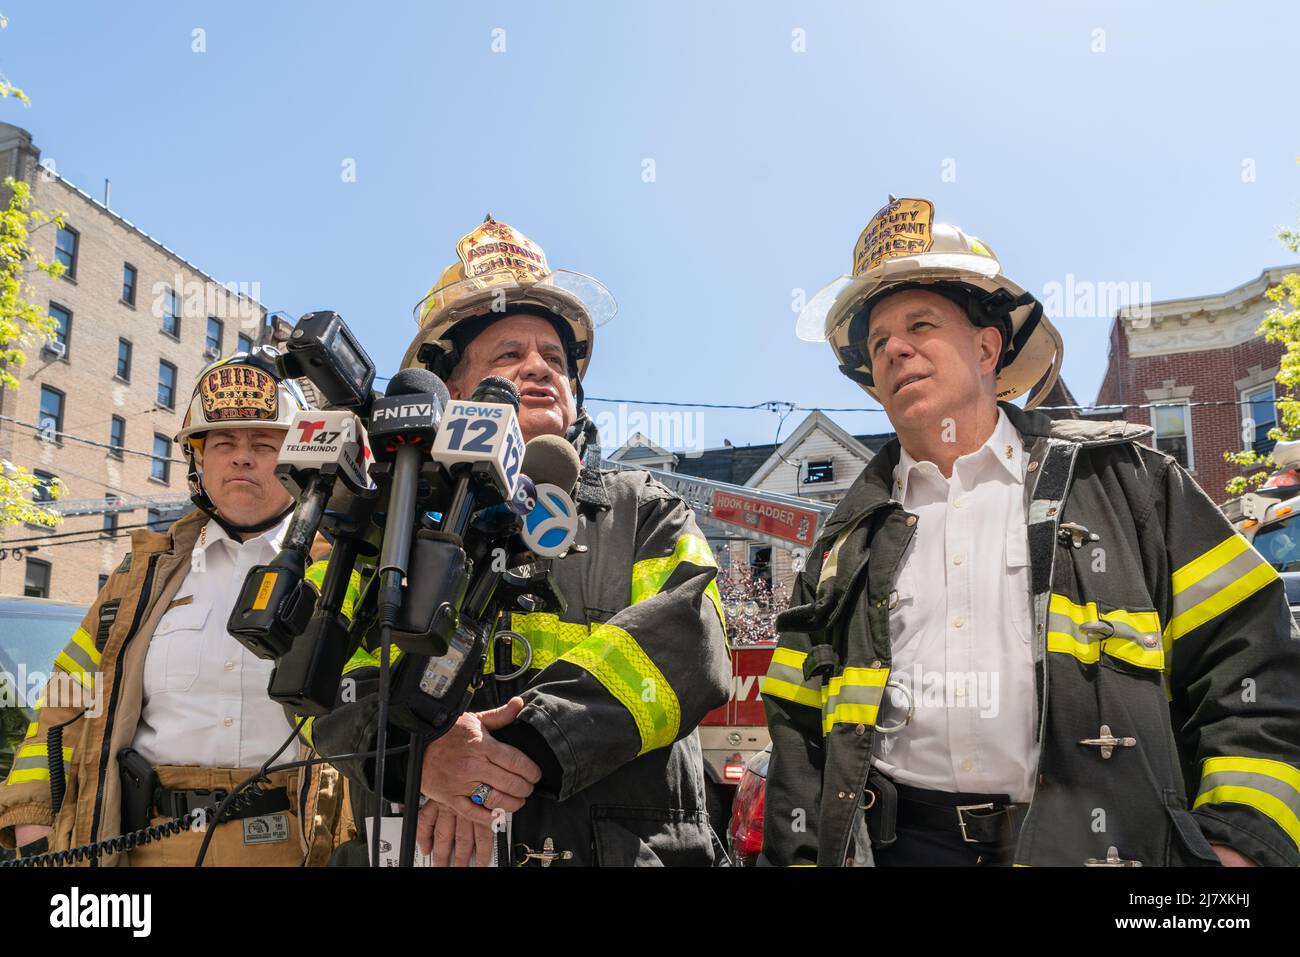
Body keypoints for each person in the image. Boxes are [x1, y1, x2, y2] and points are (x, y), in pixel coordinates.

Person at [761, 196, 1300, 867]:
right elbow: (797, 727)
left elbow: (1253, 661)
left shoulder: (1128, 486)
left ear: (987, 347)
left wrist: (1241, 840)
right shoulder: (848, 541)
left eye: (920, 325)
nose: (895, 348)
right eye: (878, 343)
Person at [311, 215, 731, 866]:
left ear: (575, 395)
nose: (538, 369)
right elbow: (318, 671)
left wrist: (514, 753)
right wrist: (418, 756)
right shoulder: (381, 523)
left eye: (555, 360)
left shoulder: (642, 507)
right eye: (509, 356)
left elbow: (691, 641)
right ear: (453, 392)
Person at [0, 349, 354, 865]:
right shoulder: (140, 578)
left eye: (263, 443)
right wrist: (33, 822)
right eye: (223, 443)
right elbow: (65, 701)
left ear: (299, 458)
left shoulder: (344, 568)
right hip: (149, 846)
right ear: (198, 461)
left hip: (299, 844)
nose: (241, 457)